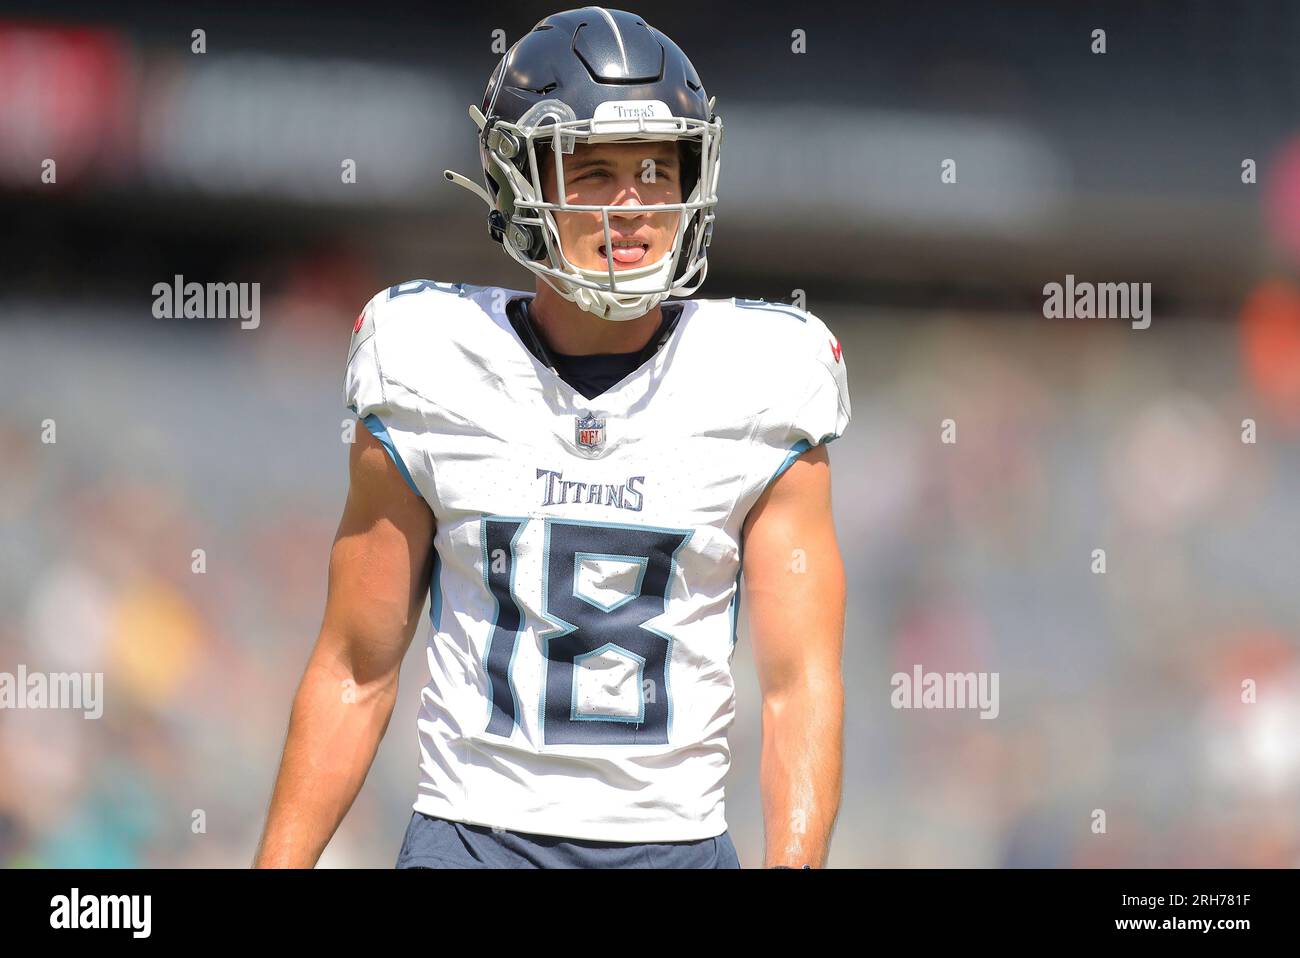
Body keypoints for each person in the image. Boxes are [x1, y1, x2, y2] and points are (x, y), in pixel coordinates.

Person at [254, 5, 850, 869]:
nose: (633, 205)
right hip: (472, 839)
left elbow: (800, 689)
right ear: (517, 181)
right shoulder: (427, 359)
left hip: (675, 846)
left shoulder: (764, 375)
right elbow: (355, 667)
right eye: (594, 170)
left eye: (657, 168)